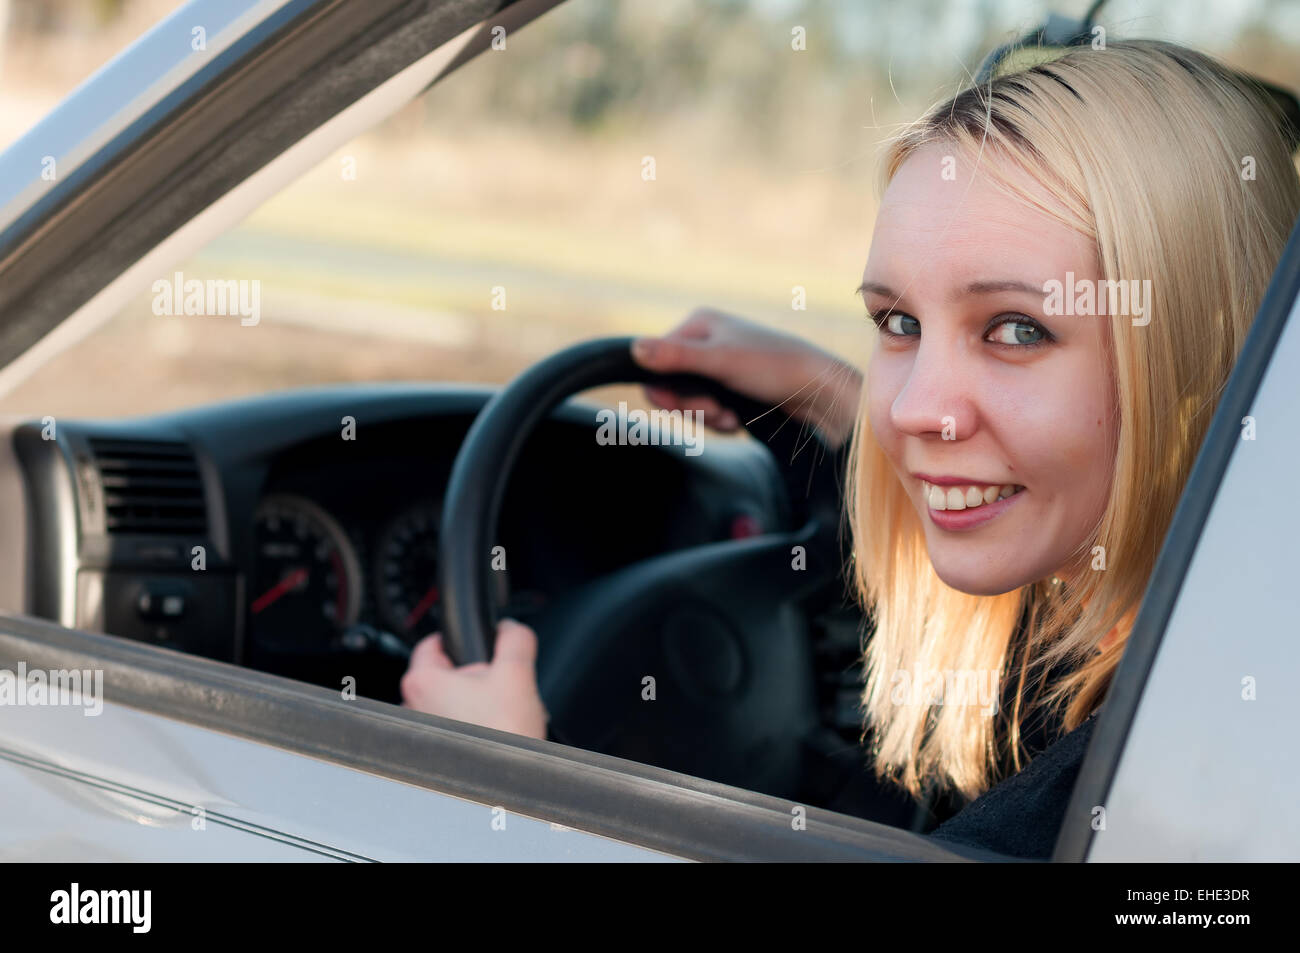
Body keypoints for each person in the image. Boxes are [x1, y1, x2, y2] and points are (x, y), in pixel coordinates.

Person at [399, 38, 1300, 858]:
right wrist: (827, 397)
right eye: (899, 321)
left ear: (1198, 356)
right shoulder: (1195, 648)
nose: (911, 410)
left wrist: (509, 804)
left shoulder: (1114, 810)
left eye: (1017, 329)